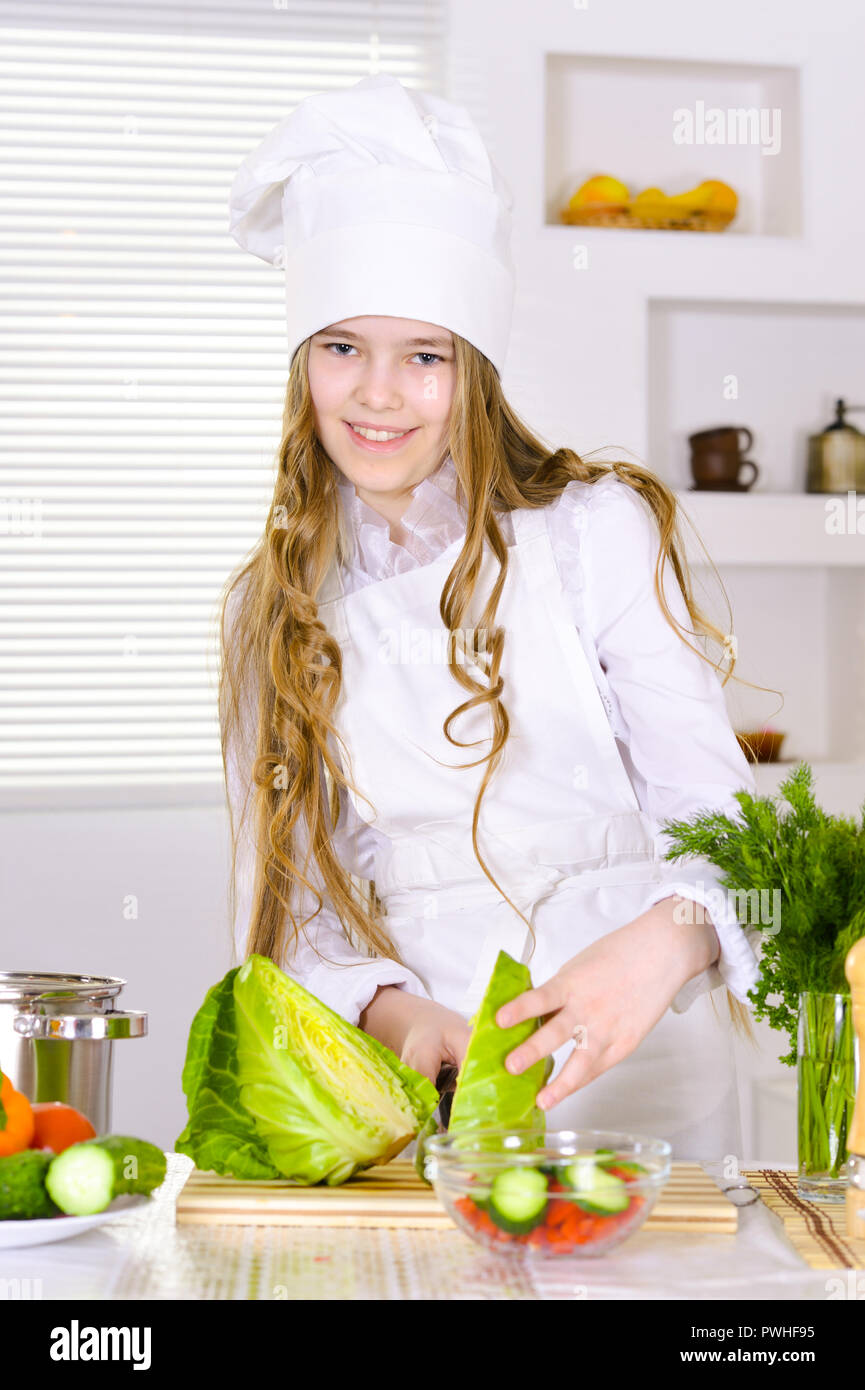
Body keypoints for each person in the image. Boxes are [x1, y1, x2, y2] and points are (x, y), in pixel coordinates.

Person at [221, 74, 762, 1160]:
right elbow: (297, 920)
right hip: (435, 1101)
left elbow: (736, 841)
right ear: (301, 359)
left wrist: (661, 943)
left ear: (474, 369)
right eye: (342, 347)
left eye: (423, 355)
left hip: (650, 1078)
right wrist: (398, 1017)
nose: (377, 394)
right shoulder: (271, 605)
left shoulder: (590, 531)